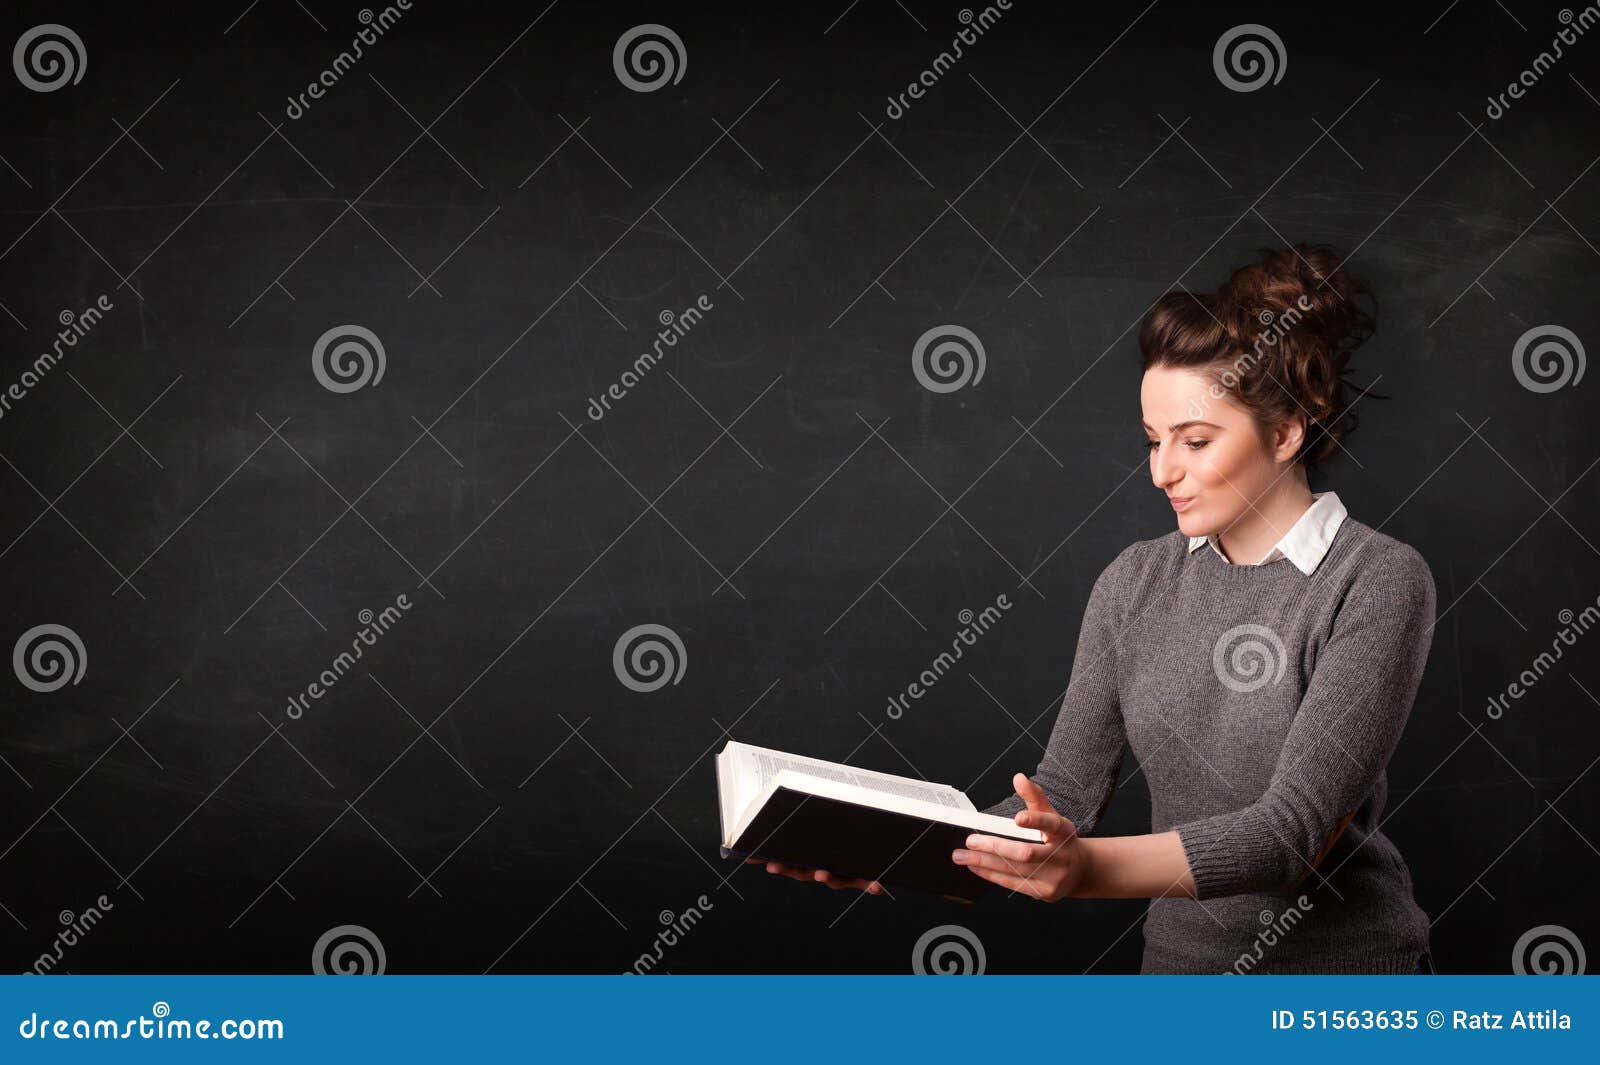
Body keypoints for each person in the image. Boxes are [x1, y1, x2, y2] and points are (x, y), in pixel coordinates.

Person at [752, 244, 1437, 974]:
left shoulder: (1378, 579)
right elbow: (1067, 795)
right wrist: (901, 853)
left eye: (1195, 440)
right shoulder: (1133, 581)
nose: (1161, 470)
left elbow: (1288, 834)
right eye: (1152, 439)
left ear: (1283, 433)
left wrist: (1084, 873)